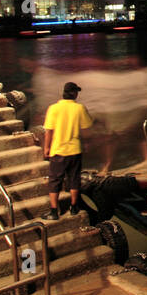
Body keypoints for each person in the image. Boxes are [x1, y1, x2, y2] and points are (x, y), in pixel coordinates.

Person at [42, 81, 93, 220]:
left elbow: (48, 131)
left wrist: (46, 148)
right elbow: (87, 128)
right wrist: (88, 144)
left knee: (54, 180)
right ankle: (74, 207)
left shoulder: (53, 108)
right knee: (74, 179)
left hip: (58, 150)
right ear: (75, 94)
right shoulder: (79, 108)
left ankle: (54, 211)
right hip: (75, 150)